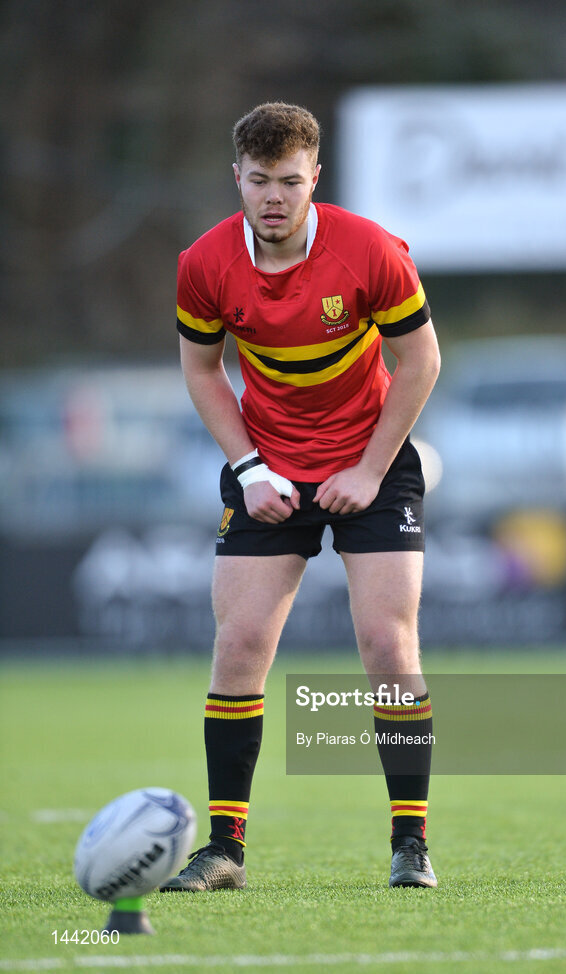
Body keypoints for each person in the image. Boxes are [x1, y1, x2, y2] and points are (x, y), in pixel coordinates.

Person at [159, 102, 441, 892]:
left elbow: (418, 362)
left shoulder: (369, 251)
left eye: (290, 180)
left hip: (370, 464)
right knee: (240, 645)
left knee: (389, 648)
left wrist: (369, 469)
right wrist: (249, 469)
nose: (274, 197)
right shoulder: (204, 263)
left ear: (315, 176)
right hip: (269, 467)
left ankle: (410, 844)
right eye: (258, 181)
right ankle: (224, 852)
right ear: (237, 180)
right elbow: (202, 369)